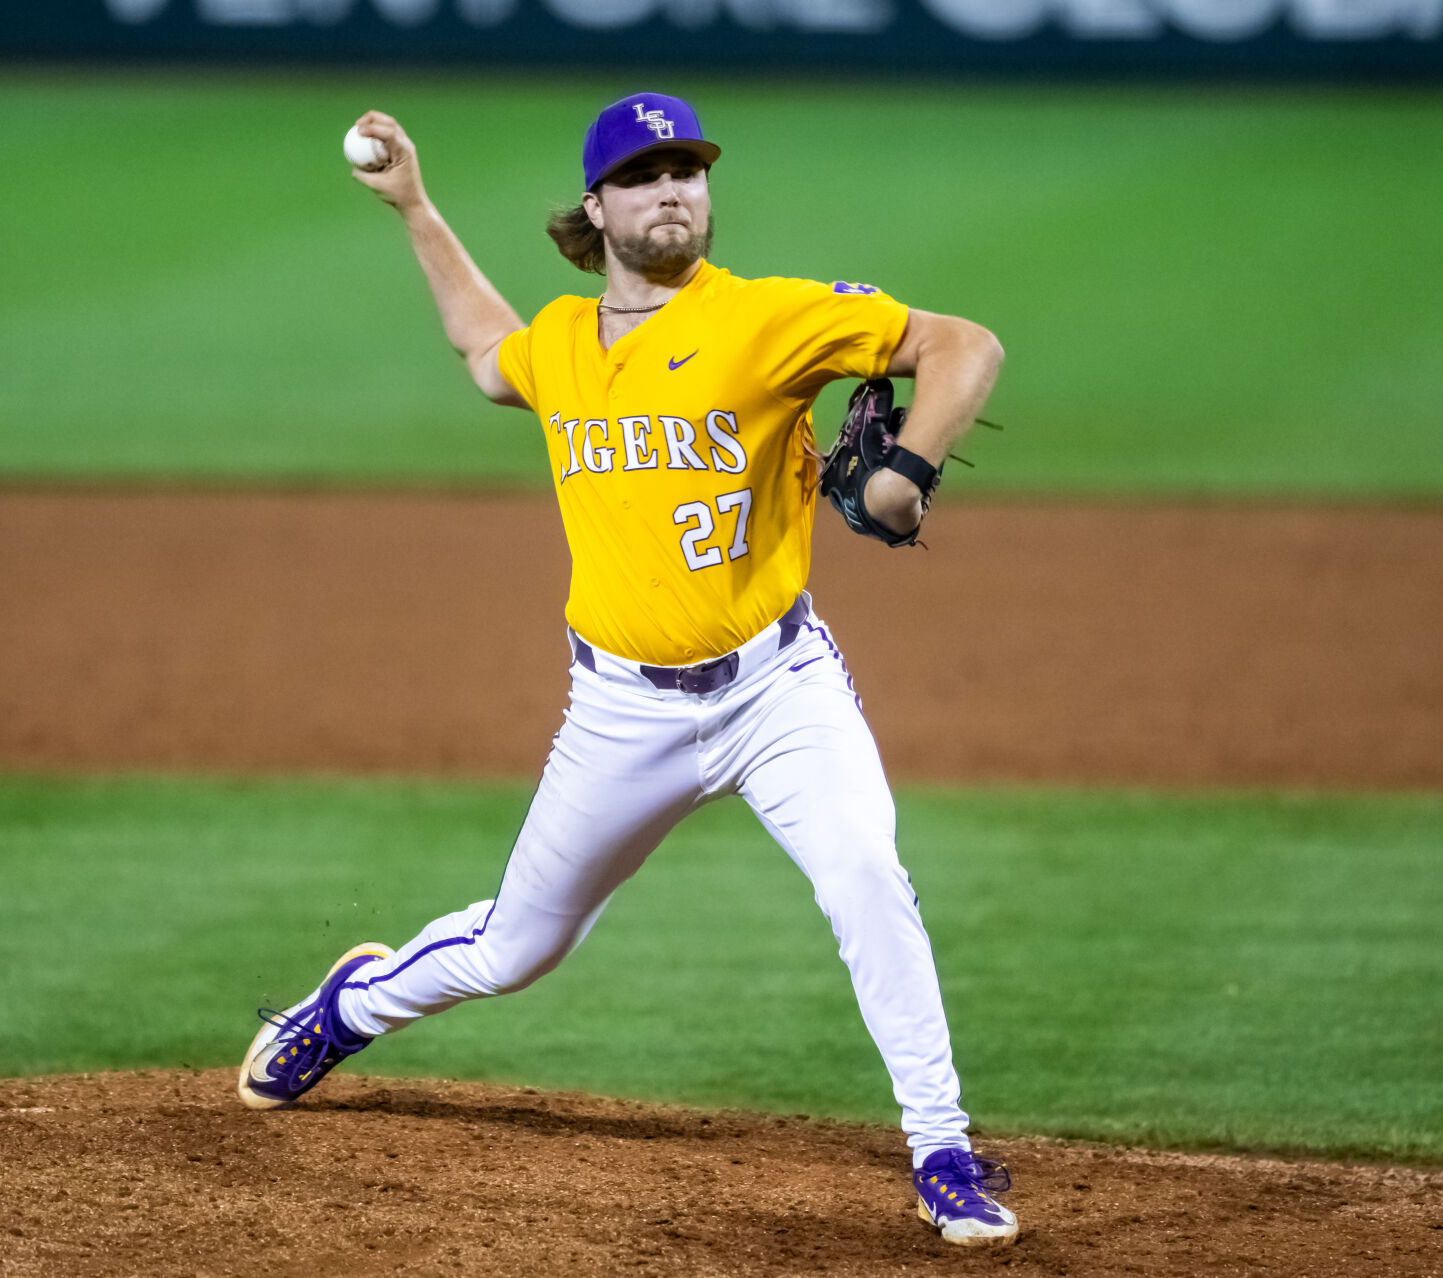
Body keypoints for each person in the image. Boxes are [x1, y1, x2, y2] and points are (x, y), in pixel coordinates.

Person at [237, 92, 1015, 1247]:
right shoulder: (560, 341)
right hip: (618, 712)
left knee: (864, 874)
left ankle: (940, 1150)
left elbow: (964, 345)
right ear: (596, 208)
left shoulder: (769, 319)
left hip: (777, 690)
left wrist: (906, 467)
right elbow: (482, 353)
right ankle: (346, 1005)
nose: (672, 192)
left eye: (688, 172)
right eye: (645, 175)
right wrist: (413, 206)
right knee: (517, 947)